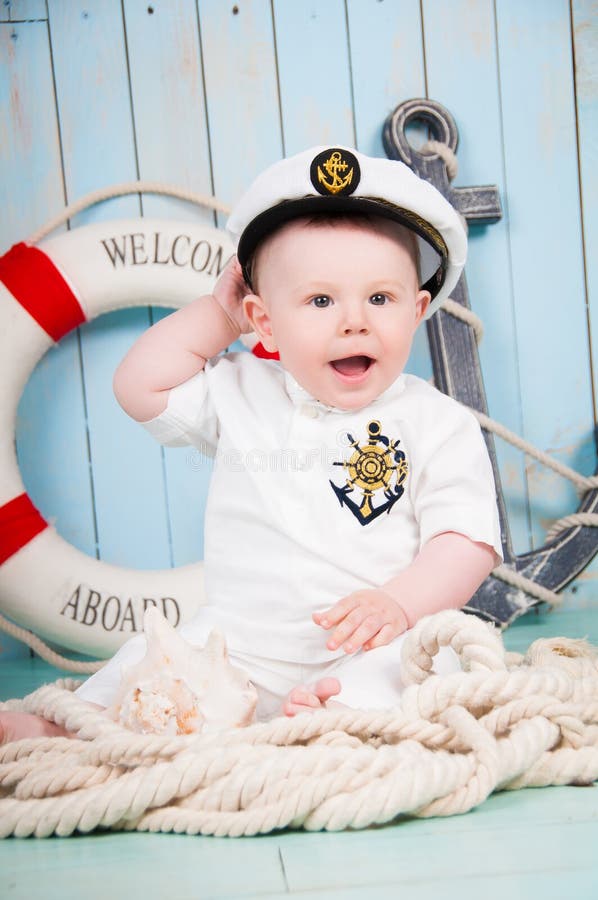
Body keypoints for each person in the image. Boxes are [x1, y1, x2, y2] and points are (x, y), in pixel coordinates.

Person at [0, 145, 502, 742]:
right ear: (264, 321)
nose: (354, 321)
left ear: (417, 310)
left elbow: (466, 542)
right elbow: (139, 387)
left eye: (380, 298)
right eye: (320, 300)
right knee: (156, 661)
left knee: (403, 678)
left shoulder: (437, 422)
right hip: (240, 645)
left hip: (374, 640)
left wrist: (398, 603)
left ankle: (333, 723)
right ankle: (65, 730)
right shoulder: (241, 390)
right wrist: (220, 315)